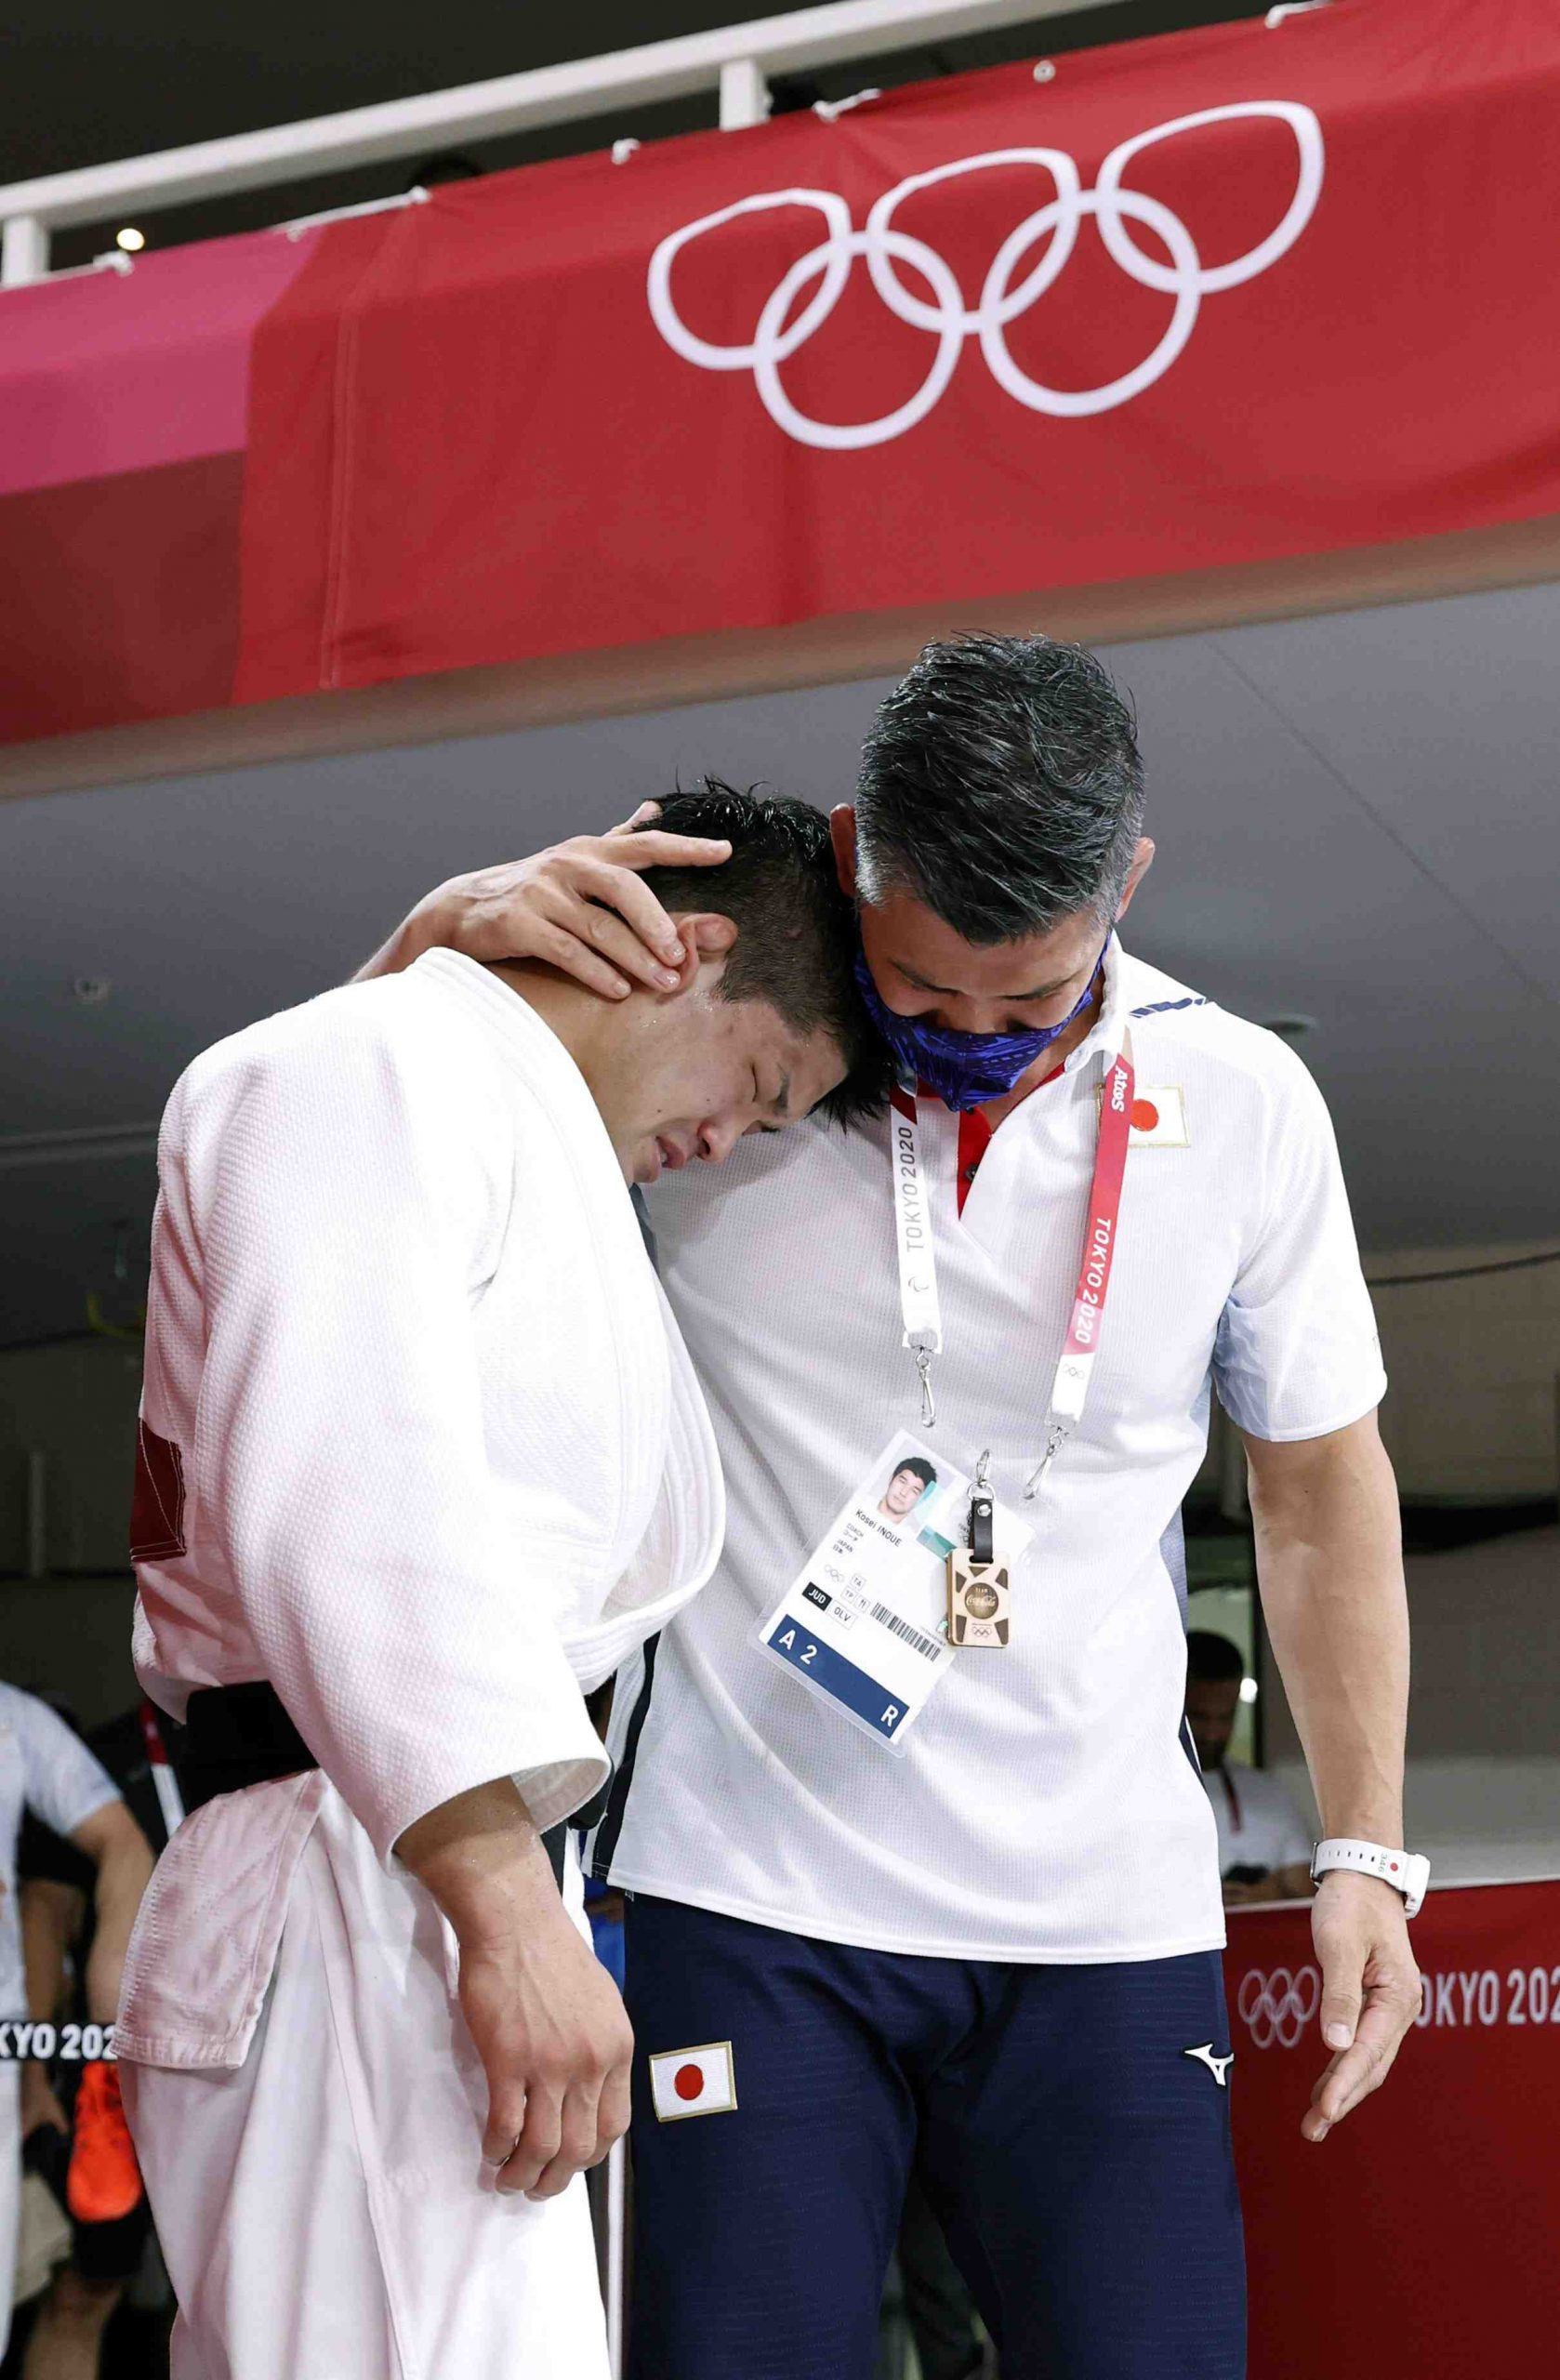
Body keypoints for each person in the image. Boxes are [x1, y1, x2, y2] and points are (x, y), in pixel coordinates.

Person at [367, 632, 1425, 2380]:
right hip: (748, 1891)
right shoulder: (723, 1055)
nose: (974, 1048)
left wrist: (1363, 1845)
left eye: (1031, 1004)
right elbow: (355, 1168)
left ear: (1126, 884)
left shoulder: (1241, 1104)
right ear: (858, 857)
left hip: (1103, 1918)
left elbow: (1317, 1489)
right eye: (925, 1000)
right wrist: (439, 955)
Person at [114, 786, 883, 2380]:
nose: (724, 1142)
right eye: (760, 1082)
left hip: (413, 1872)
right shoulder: (370, 1064)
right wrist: (503, 1912)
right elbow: (347, 1499)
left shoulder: (453, 1095)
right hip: (362, 1871)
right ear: (686, 950)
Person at [15, 1703, 170, 2380]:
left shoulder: (312, 1739)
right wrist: (34, 2073)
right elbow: (45, 1914)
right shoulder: (105, 1752)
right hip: (109, 2081)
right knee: (88, 2286)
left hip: (265, 2067)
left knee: (269, 2280)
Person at [1184, 1633, 1314, 1907]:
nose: (1212, 1733)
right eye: (1198, 1717)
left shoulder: (1267, 1792)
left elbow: (1306, 1884)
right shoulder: (1139, 1790)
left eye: (1225, 1717)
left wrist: (1268, 1893)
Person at [877, 1457, 936, 1527]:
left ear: (921, 1499)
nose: (903, 1493)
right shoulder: (862, 1501)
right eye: (902, 1482)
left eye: (914, 1491)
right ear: (891, 1479)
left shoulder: (909, 1536)